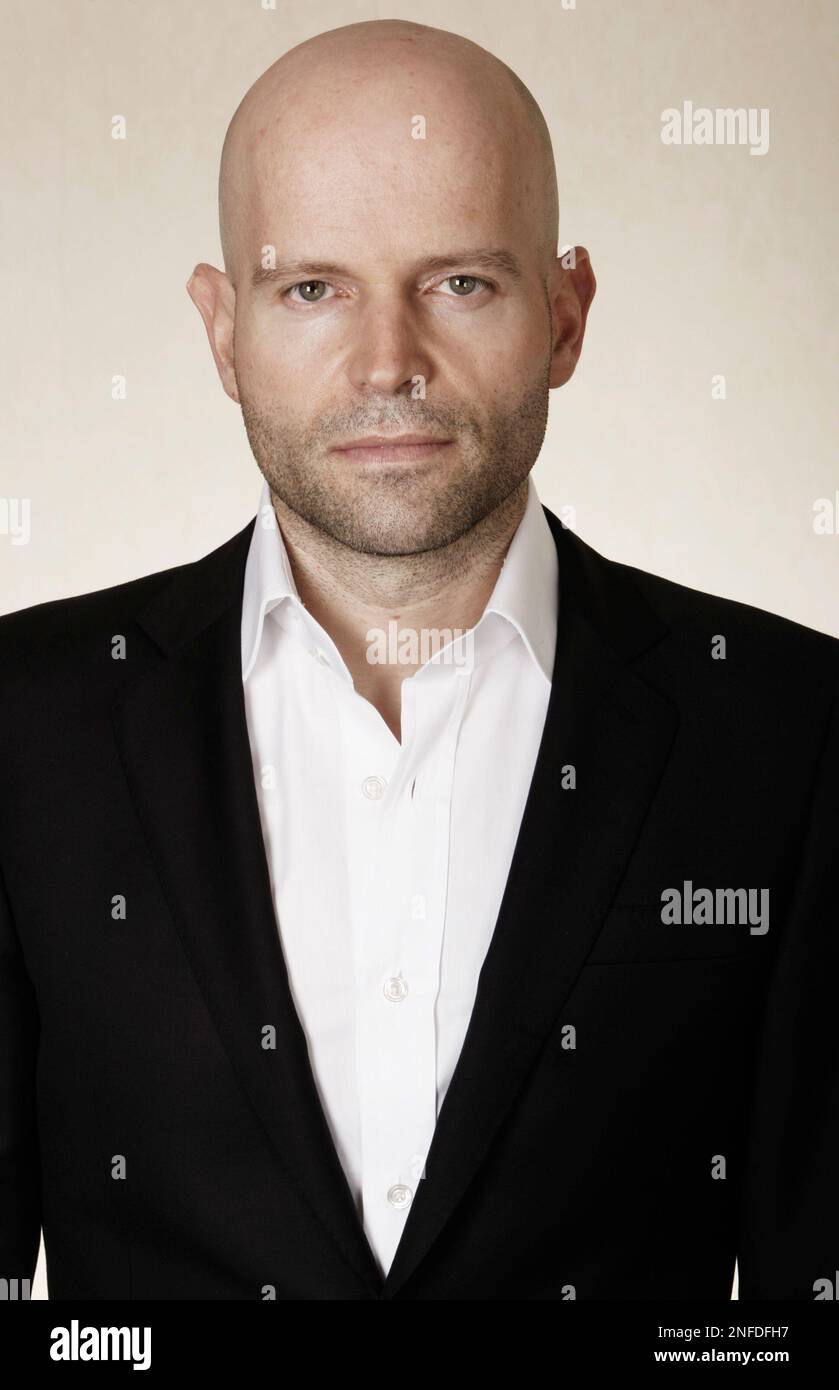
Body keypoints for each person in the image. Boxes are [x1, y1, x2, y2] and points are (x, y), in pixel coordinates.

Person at [1, 18, 836, 1301]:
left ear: (564, 314)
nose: (387, 362)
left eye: (459, 281)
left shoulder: (790, 728)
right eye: (311, 288)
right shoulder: (23, 726)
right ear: (222, 332)